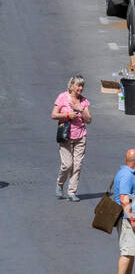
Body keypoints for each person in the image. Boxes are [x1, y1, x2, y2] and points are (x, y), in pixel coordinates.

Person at [51, 73, 91, 201]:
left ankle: (72, 192)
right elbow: (54, 115)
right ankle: (60, 183)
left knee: (77, 166)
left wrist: (80, 108)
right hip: (66, 135)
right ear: (72, 85)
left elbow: (89, 120)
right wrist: (68, 115)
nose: (80, 89)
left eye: (82, 86)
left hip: (80, 136)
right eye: (78, 86)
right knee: (67, 165)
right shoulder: (62, 97)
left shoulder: (84, 101)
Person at [112, 148, 135, 274]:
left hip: (130, 219)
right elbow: (125, 200)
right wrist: (132, 219)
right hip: (126, 219)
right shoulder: (126, 176)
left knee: (131, 251)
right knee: (126, 251)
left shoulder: (126, 173)